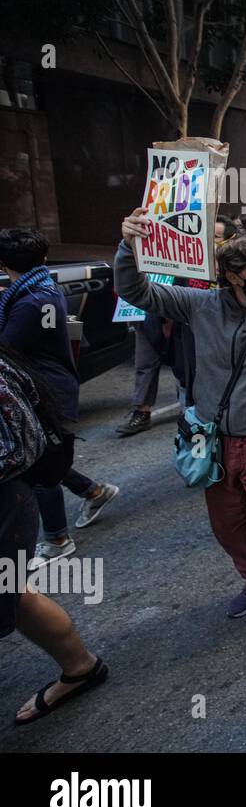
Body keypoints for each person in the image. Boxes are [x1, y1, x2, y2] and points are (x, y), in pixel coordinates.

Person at [116, 209, 246, 617]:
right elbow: (137, 293)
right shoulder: (200, 306)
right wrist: (129, 247)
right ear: (233, 277)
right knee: (228, 524)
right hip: (216, 441)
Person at [1, 346, 109, 725]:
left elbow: (22, 445)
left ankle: (81, 667)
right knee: (13, 593)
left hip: (7, 502)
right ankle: (80, 666)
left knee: (9, 590)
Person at [0, 228, 119, 569]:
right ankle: (93, 491)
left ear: (4, 263)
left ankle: (56, 539)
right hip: (48, 386)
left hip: (43, 392)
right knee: (45, 450)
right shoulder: (39, 290)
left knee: (39, 464)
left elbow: (6, 350)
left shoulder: (32, 301)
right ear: (44, 258)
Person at [115, 312, 171, 436]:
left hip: (174, 309)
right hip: (144, 310)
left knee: (183, 363)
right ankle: (142, 412)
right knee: (145, 361)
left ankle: (192, 408)